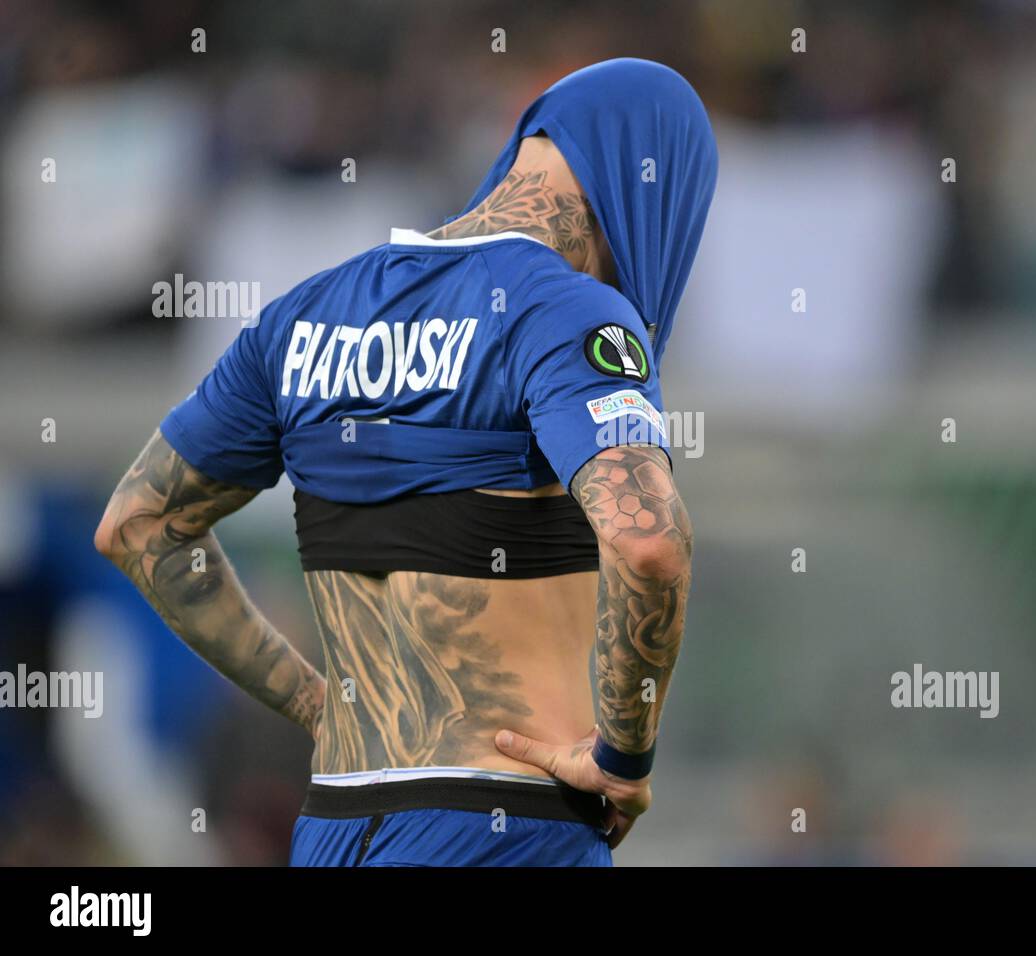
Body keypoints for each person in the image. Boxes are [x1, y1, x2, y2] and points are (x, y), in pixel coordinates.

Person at [93, 57, 718, 866]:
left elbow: (137, 525)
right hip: (507, 824)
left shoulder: (304, 313)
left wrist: (315, 703)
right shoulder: (565, 309)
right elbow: (648, 542)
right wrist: (624, 758)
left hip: (333, 827)